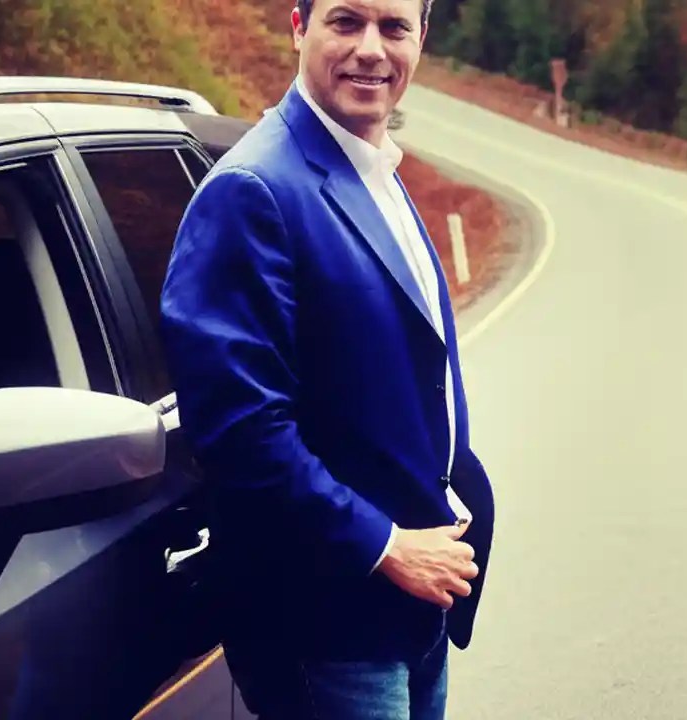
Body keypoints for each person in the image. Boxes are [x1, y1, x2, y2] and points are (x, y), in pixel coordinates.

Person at [158, 0, 495, 717]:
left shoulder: (372, 166)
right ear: (297, 27)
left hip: (415, 603)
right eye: (346, 22)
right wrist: (387, 547)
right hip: (329, 625)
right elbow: (239, 431)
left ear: (421, 39)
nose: (371, 49)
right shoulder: (253, 191)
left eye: (394, 28)